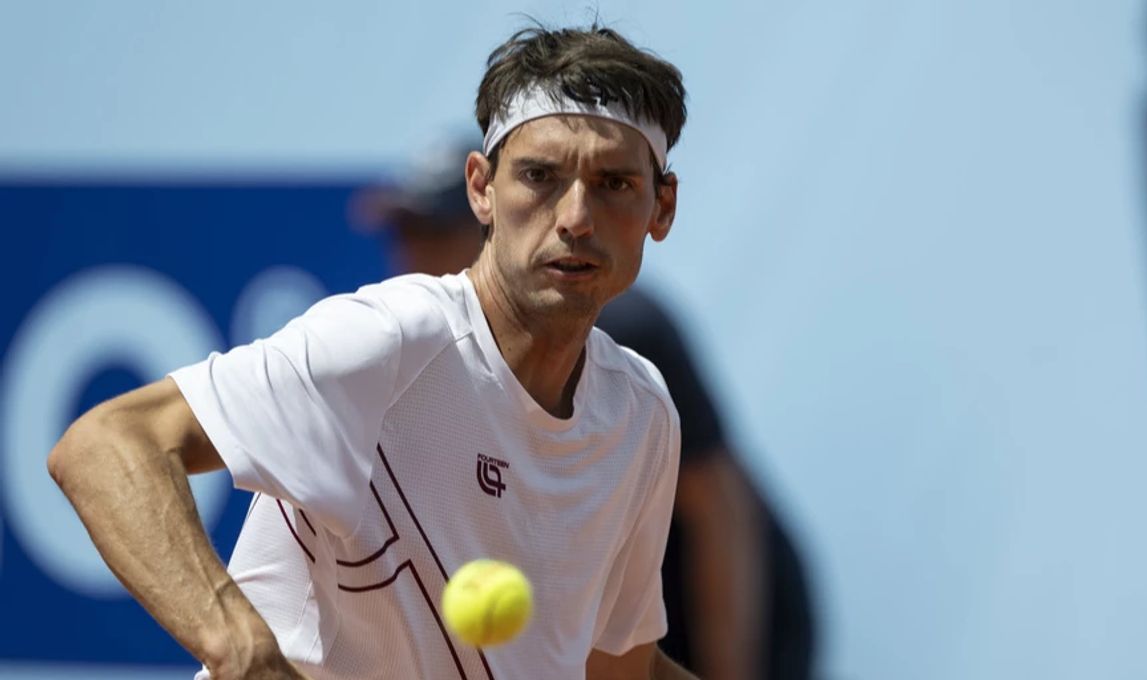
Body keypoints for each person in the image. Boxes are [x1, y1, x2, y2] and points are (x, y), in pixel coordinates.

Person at [48, 24, 700, 680]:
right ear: (482, 189)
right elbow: (104, 443)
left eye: (614, 184)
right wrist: (243, 647)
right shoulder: (392, 341)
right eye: (540, 175)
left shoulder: (640, 414)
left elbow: (618, 668)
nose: (576, 218)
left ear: (661, 207)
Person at [360, 141, 817, 680]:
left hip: (722, 624)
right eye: (403, 235)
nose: (409, 257)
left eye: (431, 234)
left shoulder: (622, 332)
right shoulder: (422, 352)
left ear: (495, 227)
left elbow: (718, 510)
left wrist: (732, 671)